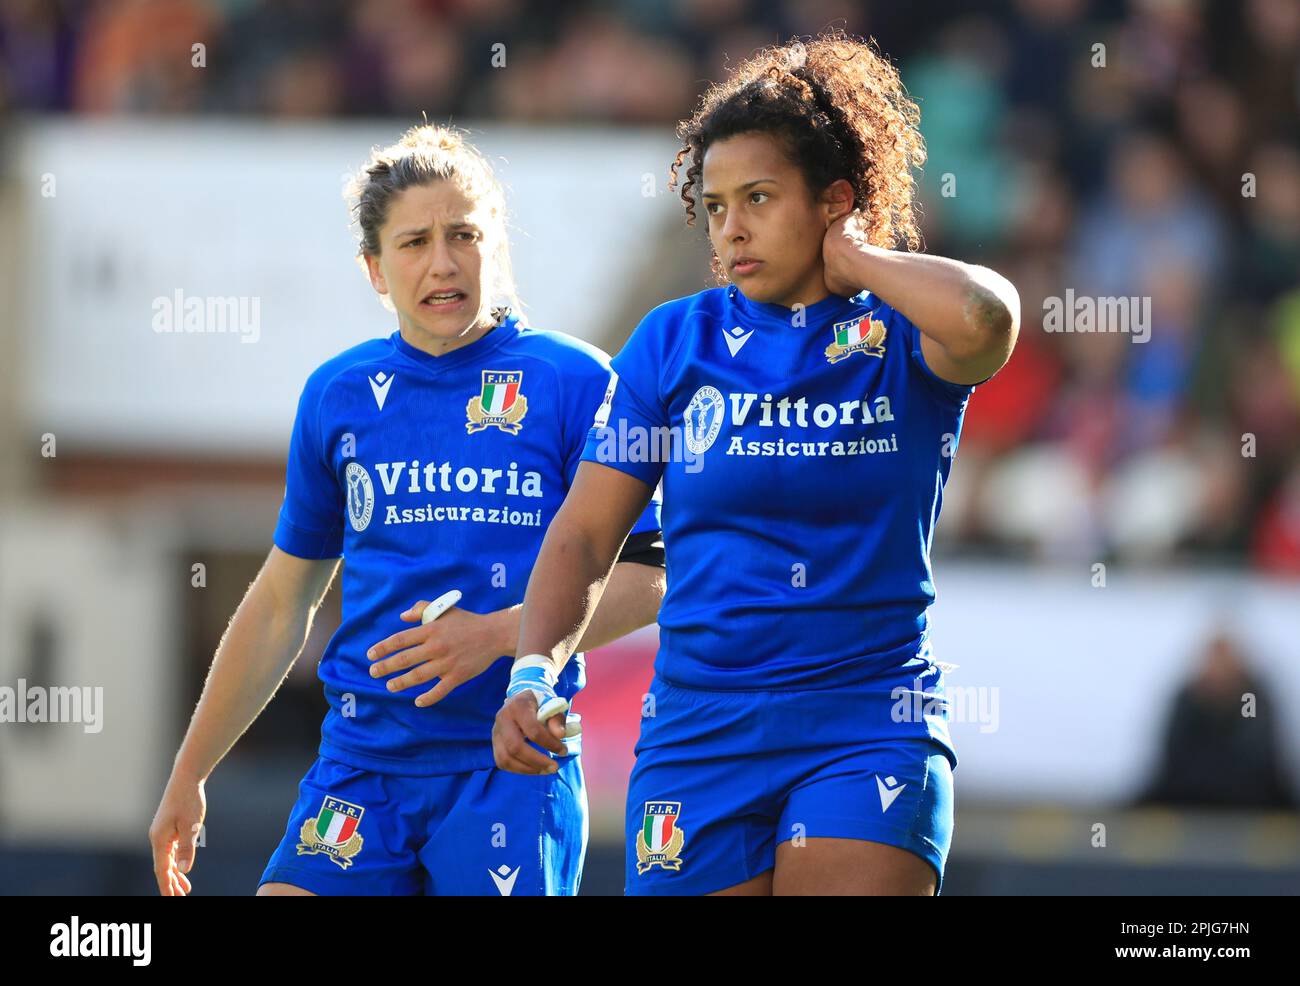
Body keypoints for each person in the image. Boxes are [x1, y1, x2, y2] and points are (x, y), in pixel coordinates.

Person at [493, 32, 1019, 895]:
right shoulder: (673, 342)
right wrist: (531, 670)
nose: (730, 227)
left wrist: (856, 260)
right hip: (699, 732)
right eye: (714, 205)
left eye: (761, 198)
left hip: (865, 723)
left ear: (834, 200)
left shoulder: (897, 336)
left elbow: (987, 317)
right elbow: (587, 536)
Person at [148, 124, 665, 896]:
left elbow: (649, 577)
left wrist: (494, 638)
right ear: (375, 271)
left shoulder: (576, 380)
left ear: (497, 245)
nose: (443, 262)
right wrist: (190, 771)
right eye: (414, 242)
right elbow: (283, 600)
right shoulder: (338, 396)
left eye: (464, 234)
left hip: (510, 764)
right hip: (361, 767)